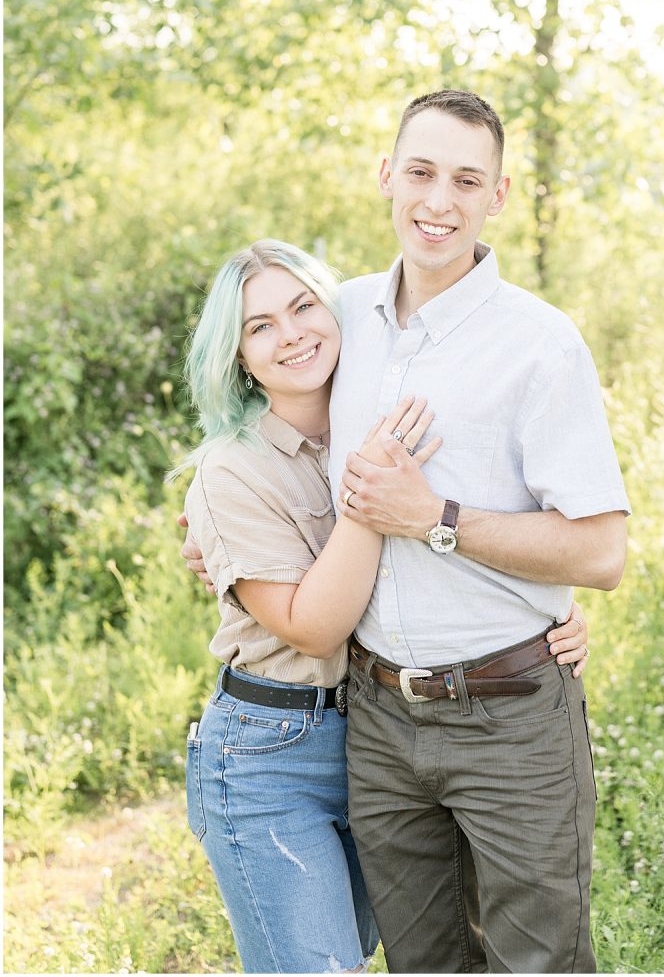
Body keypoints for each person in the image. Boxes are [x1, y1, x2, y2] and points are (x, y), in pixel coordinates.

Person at [177, 237, 592, 975]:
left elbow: (449, 548)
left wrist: (542, 614)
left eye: (304, 306)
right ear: (237, 354)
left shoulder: (359, 422)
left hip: (369, 730)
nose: (292, 332)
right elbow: (315, 625)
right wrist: (375, 497)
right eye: (259, 325)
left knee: (416, 948)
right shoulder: (236, 467)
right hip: (267, 748)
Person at [326, 89, 631, 974]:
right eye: (420, 172)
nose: (438, 201)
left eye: (467, 180)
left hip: (511, 718)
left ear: (497, 196)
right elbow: (264, 424)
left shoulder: (541, 345)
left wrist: (436, 518)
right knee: (422, 964)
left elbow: (601, 551)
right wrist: (216, 528)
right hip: (377, 716)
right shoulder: (340, 319)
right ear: (387, 175)